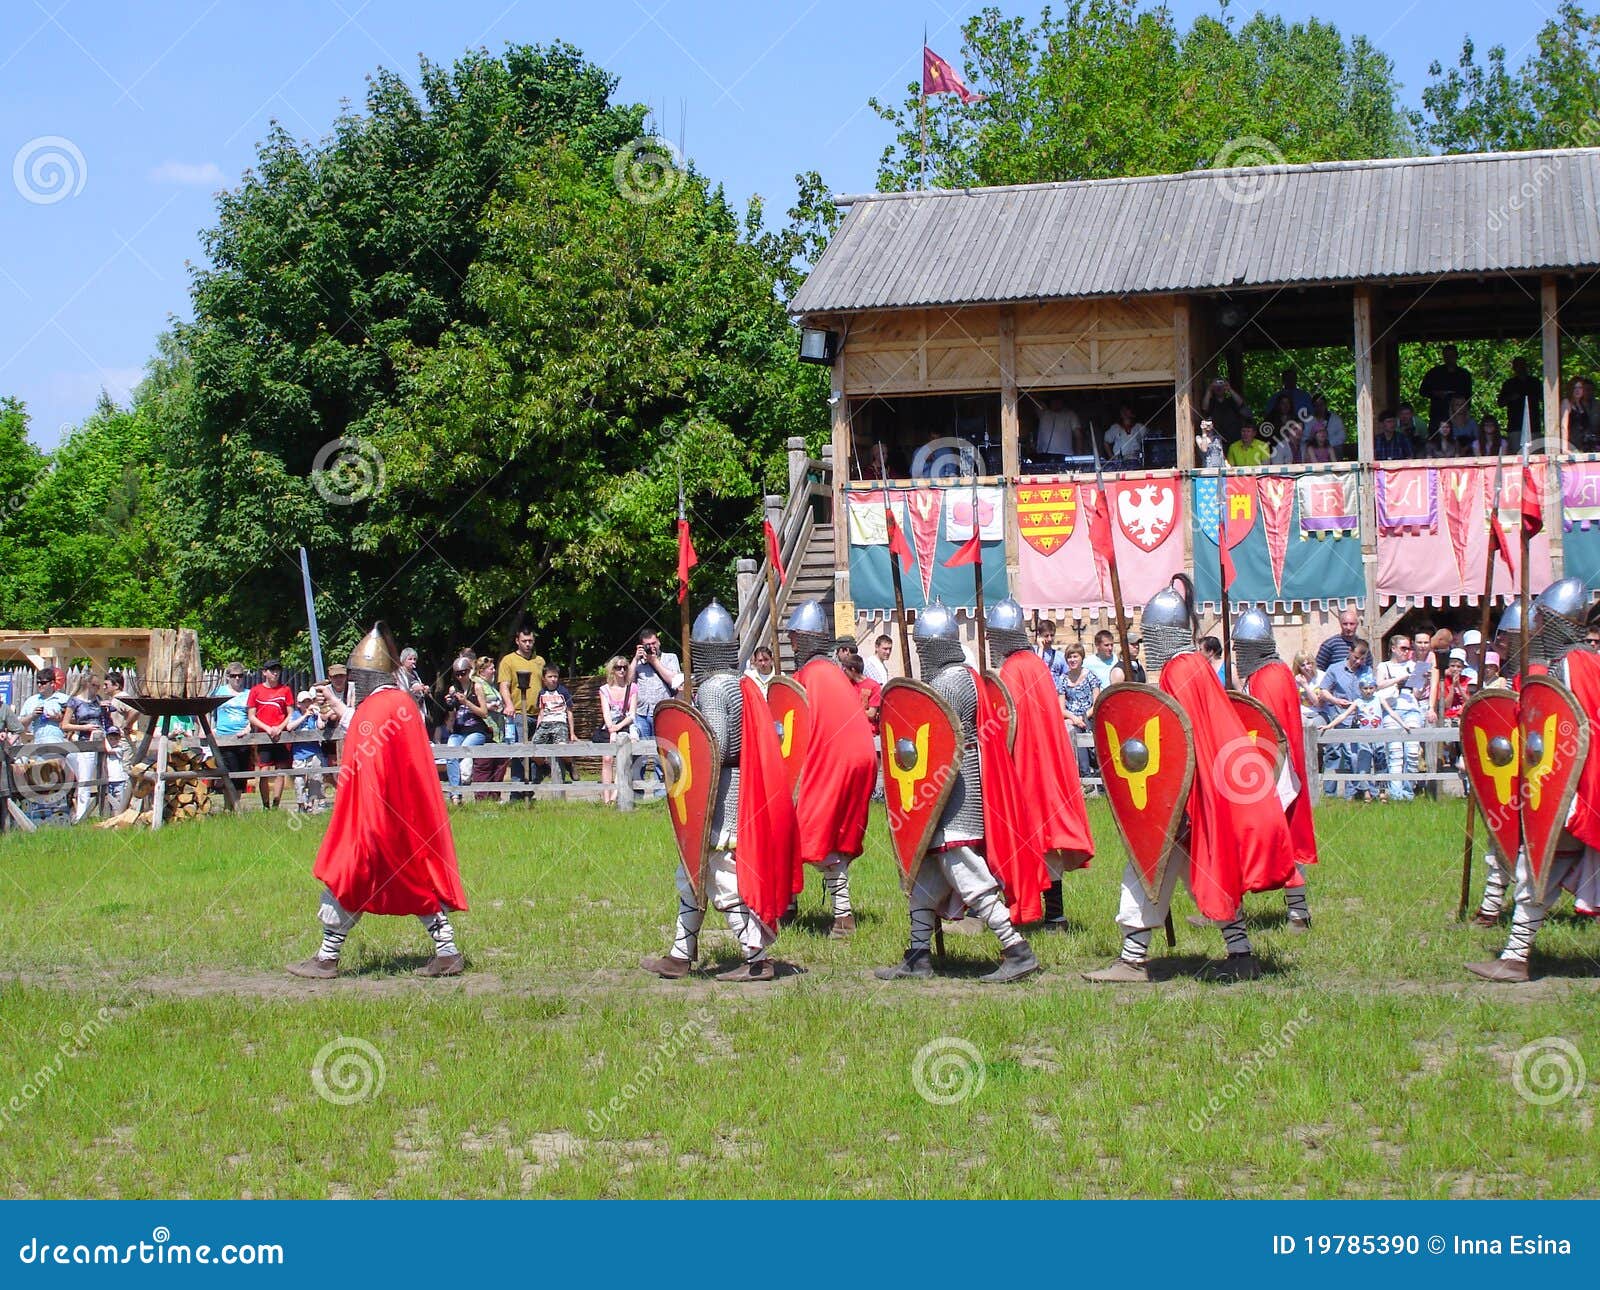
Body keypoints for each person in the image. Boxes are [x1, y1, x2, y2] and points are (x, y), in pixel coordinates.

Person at [1085, 578, 1296, 984]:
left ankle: (1131, 961)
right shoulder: (1195, 664)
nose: (1146, 644)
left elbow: (1175, 741)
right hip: (1200, 791)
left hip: (1192, 792)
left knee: (1147, 865)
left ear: (1162, 634)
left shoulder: (1178, 671)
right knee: (1204, 871)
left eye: (1149, 636)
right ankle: (1241, 954)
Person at [287, 623, 468, 979]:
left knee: (348, 876)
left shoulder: (377, 708)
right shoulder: (401, 703)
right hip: (404, 819)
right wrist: (338, 705)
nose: (356, 679)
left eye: (359, 675)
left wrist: (364, 824)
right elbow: (367, 732)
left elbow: (365, 756)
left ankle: (326, 959)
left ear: (369, 675)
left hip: (374, 820)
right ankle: (447, 952)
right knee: (413, 880)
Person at [875, 603, 1044, 983]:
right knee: (925, 875)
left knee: (964, 871)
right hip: (943, 791)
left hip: (951, 793)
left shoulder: (949, 683)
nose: (920, 654)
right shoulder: (964, 677)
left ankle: (1016, 947)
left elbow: (936, 743)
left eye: (922, 647)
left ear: (932, 646)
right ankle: (918, 955)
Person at [640, 601, 798, 982]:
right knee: (691, 874)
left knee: (721, 879)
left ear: (701, 649)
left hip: (722, 794)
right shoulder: (742, 684)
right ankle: (680, 954)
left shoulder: (713, 688)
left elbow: (717, 749)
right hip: (735, 789)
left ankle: (756, 956)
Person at [1469, 579, 1600, 981]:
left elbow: (1581, 729)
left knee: (1536, 864)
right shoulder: (1568, 661)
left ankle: (1515, 958)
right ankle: (1514, 957)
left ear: (1559, 623)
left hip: (1574, 785)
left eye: (1542, 620)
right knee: (1538, 866)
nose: (1535, 628)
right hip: (1561, 785)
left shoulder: (1577, 663)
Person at [988, 599, 1094, 926]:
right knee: (1046, 837)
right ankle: (1056, 915)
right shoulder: (1036, 664)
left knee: (1027, 836)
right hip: (1048, 761)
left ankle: (1014, 910)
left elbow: (1007, 725)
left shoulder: (1013, 669)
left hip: (1026, 765)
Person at [785, 600, 878, 940]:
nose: (792, 644)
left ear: (801, 640)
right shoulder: (835, 673)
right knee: (833, 834)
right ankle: (811, 908)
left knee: (798, 829)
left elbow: (790, 733)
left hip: (834, 760)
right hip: (863, 760)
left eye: (794, 638)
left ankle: (803, 908)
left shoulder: (807, 677)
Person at [1231, 611, 1319, 930]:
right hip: (1268, 767)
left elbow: (1269, 731)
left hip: (1273, 770)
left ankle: (1293, 912)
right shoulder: (1272, 672)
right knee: (1278, 838)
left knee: (1272, 837)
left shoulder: (1269, 676)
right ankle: (1236, 909)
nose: (1240, 654)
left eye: (1243, 648)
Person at [628, 626, 682, 796]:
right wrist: (635, 660)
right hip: (642, 713)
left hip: (663, 712)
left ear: (658, 641)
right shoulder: (638, 662)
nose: (652, 647)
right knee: (641, 752)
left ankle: (663, 790)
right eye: (647, 645)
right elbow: (628, 683)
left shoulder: (669, 657)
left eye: (653, 643)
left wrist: (654, 662)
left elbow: (674, 680)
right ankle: (638, 790)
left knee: (663, 750)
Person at [1374, 633, 1424, 801]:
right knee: (1395, 754)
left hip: (1410, 708)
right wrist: (1400, 678)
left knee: (1412, 753)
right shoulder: (1384, 666)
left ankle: (1408, 793)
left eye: (1409, 648)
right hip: (1391, 710)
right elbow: (1379, 685)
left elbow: (1417, 693)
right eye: (1403, 648)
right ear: (1393, 648)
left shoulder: (1416, 665)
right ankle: (1396, 795)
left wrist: (1423, 681)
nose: (1406, 651)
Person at [497, 629, 546, 787]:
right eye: (524, 641)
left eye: (530, 641)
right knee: (519, 754)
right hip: (519, 713)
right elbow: (504, 685)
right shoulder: (508, 660)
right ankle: (517, 792)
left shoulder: (539, 661)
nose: (527, 644)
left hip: (538, 713)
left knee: (537, 751)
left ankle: (531, 787)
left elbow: (545, 686)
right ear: (517, 641)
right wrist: (509, 704)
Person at [61, 672, 111, 823]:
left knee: (87, 778)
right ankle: (80, 814)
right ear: (88, 685)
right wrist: (85, 727)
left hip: (96, 741)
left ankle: (82, 814)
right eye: (95, 686)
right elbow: (65, 725)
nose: (98, 689)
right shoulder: (75, 701)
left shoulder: (97, 700)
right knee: (82, 779)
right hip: (81, 741)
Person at [443, 656, 492, 803]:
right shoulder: (453, 688)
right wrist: (449, 704)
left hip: (476, 729)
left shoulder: (476, 687)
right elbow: (452, 713)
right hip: (459, 729)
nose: (460, 677)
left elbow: (484, 712)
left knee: (464, 750)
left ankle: (463, 783)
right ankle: (455, 795)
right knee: (450, 752)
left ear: (469, 672)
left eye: (463, 673)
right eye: (457, 674)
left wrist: (466, 702)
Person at [247, 659, 295, 811]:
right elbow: (251, 715)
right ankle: (265, 804)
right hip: (264, 735)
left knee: (280, 771)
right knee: (264, 771)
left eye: (277, 670)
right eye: (272, 670)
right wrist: (267, 728)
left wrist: (280, 727)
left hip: (280, 735)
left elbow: (290, 713)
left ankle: (276, 804)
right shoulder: (256, 690)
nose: (275, 673)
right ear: (264, 672)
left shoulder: (285, 690)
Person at [597, 657, 637, 806]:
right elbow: (606, 713)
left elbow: (632, 715)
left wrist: (618, 728)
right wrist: (611, 729)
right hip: (609, 727)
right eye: (618, 667)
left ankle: (615, 796)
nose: (621, 670)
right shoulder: (604, 690)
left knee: (625, 757)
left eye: (624, 667)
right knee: (607, 759)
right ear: (612, 670)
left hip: (625, 725)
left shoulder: (632, 688)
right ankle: (606, 796)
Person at [209, 663, 253, 796]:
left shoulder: (248, 694)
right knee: (228, 771)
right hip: (224, 737)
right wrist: (210, 729)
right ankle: (229, 806)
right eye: (234, 676)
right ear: (228, 677)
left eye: (240, 676)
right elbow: (208, 711)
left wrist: (248, 729)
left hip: (243, 737)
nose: (237, 679)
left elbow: (253, 715)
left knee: (241, 773)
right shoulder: (218, 692)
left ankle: (236, 806)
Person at [1058, 643, 1100, 779]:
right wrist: (1074, 719)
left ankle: (1096, 772)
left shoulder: (1091, 677)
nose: (1072, 660)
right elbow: (1061, 708)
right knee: (1071, 730)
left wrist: (1082, 718)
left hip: (1090, 716)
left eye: (1075, 656)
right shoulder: (1063, 679)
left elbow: (1097, 703)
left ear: (1081, 658)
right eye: (1069, 657)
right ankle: (1083, 774)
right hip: (1071, 718)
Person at [531, 665, 576, 785]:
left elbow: (569, 712)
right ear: (544, 678)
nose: (553, 679)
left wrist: (572, 733)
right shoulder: (542, 693)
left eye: (555, 676)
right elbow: (541, 712)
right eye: (550, 676)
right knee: (532, 749)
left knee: (562, 748)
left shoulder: (563, 692)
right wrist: (538, 728)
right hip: (545, 723)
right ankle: (544, 767)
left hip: (560, 722)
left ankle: (569, 764)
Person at [285, 691, 327, 813]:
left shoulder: (314, 715)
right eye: (304, 702)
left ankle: (311, 803)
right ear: (299, 704)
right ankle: (301, 804)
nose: (307, 704)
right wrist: (304, 716)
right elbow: (289, 727)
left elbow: (321, 726)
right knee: (299, 780)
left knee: (315, 778)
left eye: (309, 701)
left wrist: (318, 714)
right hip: (299, 753)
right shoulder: (295, 714)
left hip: (314, 751)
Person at [1419, 344, 1473, 429]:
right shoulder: (1434, 373)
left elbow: (1468, 397)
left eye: (1451, 356)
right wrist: (1436, 394)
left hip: (1458, 416)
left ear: (1456, 356)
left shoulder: (1464, 375)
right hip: (1438, 415)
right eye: (1446, 356)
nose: (1449, 358)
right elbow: (1422, 391)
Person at [1497, 356, 1542, 448]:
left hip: (1533, 425)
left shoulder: (1535, 382)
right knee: (1516, 455)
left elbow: (1544, 399)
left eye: (1522, 365)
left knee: (1534, 455)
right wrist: (1510, 398)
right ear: (1513, 368)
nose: (1520, 368)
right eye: (1517, 366)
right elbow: (1500, 403)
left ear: (1526, 366)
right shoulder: (1509, 384)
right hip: (1515, 426)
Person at [1032, 394, 1082, 458]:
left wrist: (1079, 456)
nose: (1056, 403)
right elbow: (1032, 397)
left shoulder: (1070, 414)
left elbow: (1078, 436)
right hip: (1044, 454)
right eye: (1053, 401)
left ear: (1063, 402)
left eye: (1058, 401)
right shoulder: (1044, 413)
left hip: (1065, 454)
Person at [1561, 376, 1599, 451]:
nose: (1577, 390)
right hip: (1572, 445)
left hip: (1584, 445)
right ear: (1570, 389)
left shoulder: (1581, 404)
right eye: (1575, 388)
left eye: (1580, 388)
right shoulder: (1567, 402)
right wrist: (1564, 448)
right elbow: (1563, 426)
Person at [1032, 618, 1069, 688]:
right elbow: (1035, 669)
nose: (1049, 639)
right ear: (1039, 635)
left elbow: (1066, 677)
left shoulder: (1060, 656)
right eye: (1046, 636)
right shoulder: (1032, 652)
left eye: (1052, 635)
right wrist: (1041, 648)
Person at [847, 656, 882, 728]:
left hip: (869, 730)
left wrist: (850, 711)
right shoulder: (847, 684)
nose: (844, 673)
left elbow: (871, 714)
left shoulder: (874, 686)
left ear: (853, 670)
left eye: (845, 670)